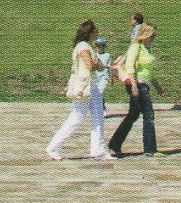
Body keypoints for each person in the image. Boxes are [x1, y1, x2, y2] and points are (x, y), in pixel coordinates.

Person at [46, 20, 113, 162]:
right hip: (84, 86)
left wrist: (100, 64)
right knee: (78, 117)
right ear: (90, 32)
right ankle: (53, 147)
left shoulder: (85, 46)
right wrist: (98, 63)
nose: (97, 34)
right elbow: (90, 65)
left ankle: (98, 150)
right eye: (95, 31)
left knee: (98, 116)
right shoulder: (83, 46)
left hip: (91, 85)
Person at [108, 24, 160, 158]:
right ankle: (150, 149)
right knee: (148, 115)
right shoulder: (136, 46)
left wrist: (158, 87)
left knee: (133, 115)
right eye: (152, 35)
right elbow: (130, 66)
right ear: (146, 35)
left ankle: (114, 144)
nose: (154, 38)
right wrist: (134, 86)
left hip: (144, 84)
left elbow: (148, 71)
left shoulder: (147, 48)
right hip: (138, 84)